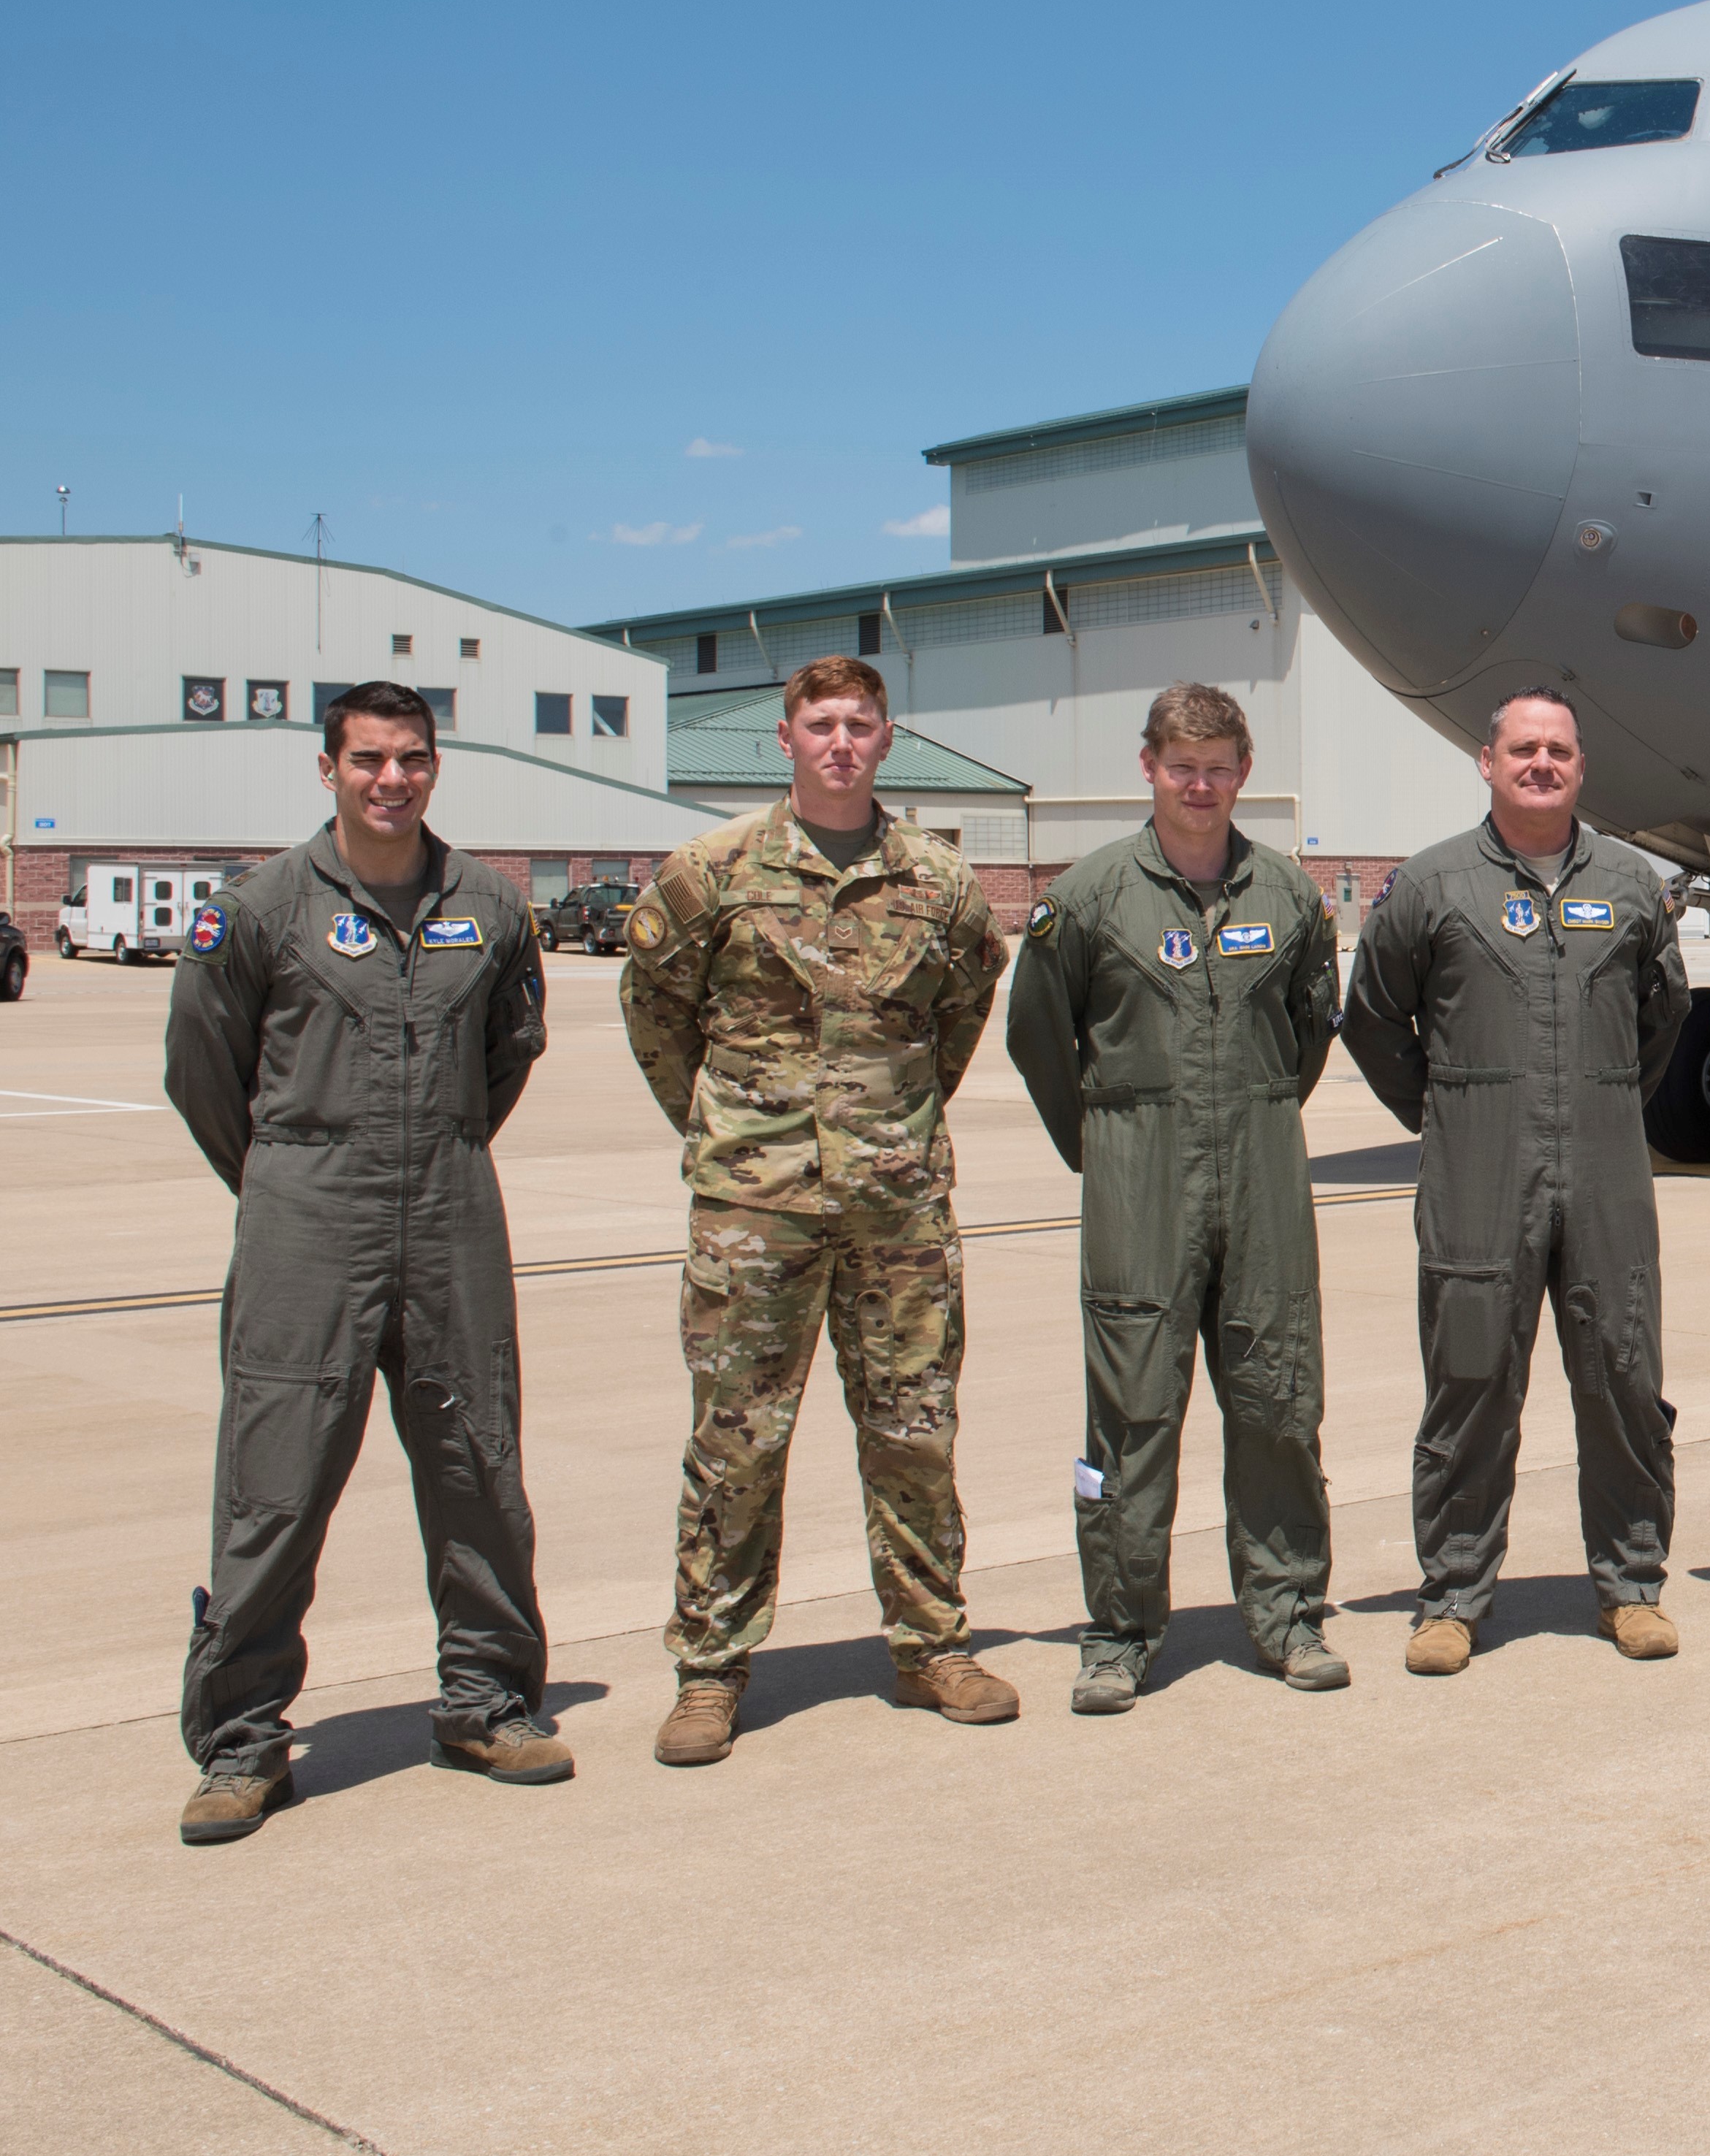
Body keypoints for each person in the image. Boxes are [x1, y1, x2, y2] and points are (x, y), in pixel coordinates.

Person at [161, 681, 568, 1843]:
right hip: (307, 1216)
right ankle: (241, 1739)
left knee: (477, 1462)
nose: (392, 778)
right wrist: (289, 1177)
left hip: (448, 1208)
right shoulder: (259, 908)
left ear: (437, 766)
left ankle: (486, 1699)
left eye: (412, 758)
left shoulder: (487, 905)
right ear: (328, 766)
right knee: (274, 1482)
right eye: (369, 758)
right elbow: (204, 1069)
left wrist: (430, 1152)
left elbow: (509, 1053)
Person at [622, 657, 1012, 1765]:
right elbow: (657, 1013)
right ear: (784, 739)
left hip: (895, 1204)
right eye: (820, 723)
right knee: (735, 1440)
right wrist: (731, 1127)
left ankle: (931, 1641)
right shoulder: (711, 871)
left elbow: (961, 1011)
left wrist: (886, 1126)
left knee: (913, 1429)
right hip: (755, 1210)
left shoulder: (938, 881)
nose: (841, 741)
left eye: (860, 724)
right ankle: (710, 1667)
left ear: (889, 739)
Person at [1005, 684, 1346, 1714]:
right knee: (1131, 1408)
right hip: (1137, 1169)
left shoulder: (1287, 893)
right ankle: (1117, 1629)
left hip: (1260, 1165)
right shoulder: (1090, 895)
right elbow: (1038, 1036)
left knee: (1279, 1397)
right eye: (1181, 764)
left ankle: (1287, 1613)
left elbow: (1309, 1031)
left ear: (1243, 772)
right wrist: (1107, 1142)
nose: (1200, 784)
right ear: (1148, 766)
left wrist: (1253, 1113)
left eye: (1220, 765)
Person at [1340, 686, 1690, 1673]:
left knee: (1623, 1373)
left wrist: (1606, 1096)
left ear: (1581, 767)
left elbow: (1660, 1015)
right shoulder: (1429, 884)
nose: (1542, 762)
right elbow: (1372, 1019)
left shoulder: (1631, 885)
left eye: (1559, 749)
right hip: (1477, 1169)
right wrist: (1452, 1111)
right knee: (1470, 1376)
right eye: (1522, 747)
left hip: (1608, 1168)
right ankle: (1452, 1595)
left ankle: (1632, 1584)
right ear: (1486, 762)